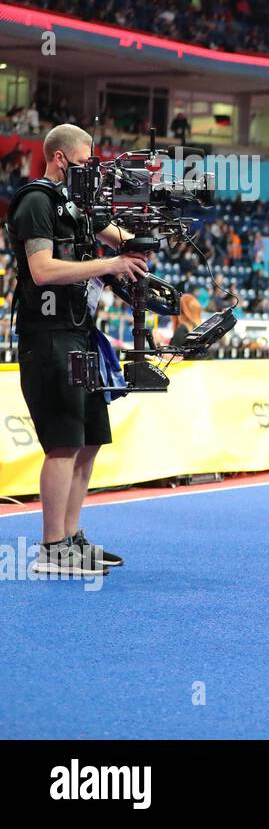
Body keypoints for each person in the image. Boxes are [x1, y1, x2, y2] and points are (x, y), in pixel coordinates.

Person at [6, 124, 147, 576]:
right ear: (61, 158)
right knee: (63, 445)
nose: (93, 170)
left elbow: (126, 241)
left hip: (82, 334)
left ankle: (70, 537)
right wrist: (111, 263)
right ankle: (51, 549)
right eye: (87, 162)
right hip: (48, 338)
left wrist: (152, 218)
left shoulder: (80, 206)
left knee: (88, 442)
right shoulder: (37, 200)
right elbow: (43, 270)